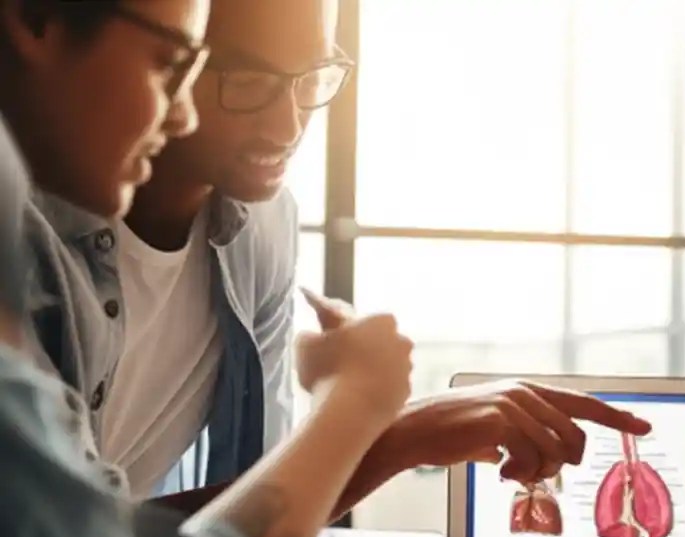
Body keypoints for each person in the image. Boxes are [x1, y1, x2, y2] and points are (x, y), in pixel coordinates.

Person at [25, 0, 651, 501]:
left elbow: (249, 520)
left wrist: (381, 430)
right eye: (245, 81)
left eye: (312, 79)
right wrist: (377, 431)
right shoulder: (29, 239)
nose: (288, 127)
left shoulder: (261, 225)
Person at [0, 0, 413, 537]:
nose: (183, 113)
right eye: (170, 62)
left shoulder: (260, 225)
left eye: (312, 77)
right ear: (32, 20)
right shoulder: (22, 220)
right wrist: (358, 416)